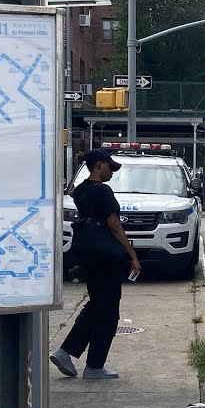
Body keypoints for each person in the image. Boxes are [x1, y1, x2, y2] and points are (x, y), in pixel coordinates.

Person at [50, 149, 140, 380]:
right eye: (110, 167)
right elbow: (114, 225)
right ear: (98, 165)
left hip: (88, 255)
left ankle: (65, 352)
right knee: (108, 313)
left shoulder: (80, 191)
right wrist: (132, 255)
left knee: (96, 305)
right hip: (106, 257)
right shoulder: (103, 191)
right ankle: (94, 366)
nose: (112, 172)